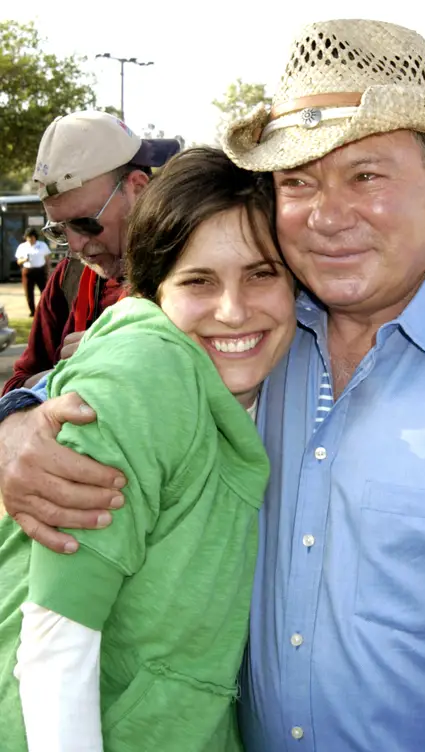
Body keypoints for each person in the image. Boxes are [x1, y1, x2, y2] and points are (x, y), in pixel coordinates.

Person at [1, 18, 425, 752]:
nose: (328, 215)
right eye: (298, 181)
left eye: (366, 175)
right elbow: (119, 368)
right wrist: (18, 421)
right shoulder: (261, 331)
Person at [0, 147, 297, 751]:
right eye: (198, 281)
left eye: (263, 273)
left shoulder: (277, 370)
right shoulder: (148, 369)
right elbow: (56, 646)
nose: (234, 310)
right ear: (153, 291)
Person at [1, 110, 180, 395]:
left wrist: (136, 358)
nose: (74, 245)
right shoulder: (68, 278)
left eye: (85, 222)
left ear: (137, 188)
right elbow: (17, 384)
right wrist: (71, 374)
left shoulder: (192, 277)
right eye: (59, 229)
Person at [14, 229, 51, 317]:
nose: (31, 239)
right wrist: (24, 260)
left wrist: (48, 270)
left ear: (35, 237)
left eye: (32, 237)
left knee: (44, 291)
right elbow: (18, 261)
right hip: (28, 271)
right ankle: (32, 311)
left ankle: (43, 310)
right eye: (29, 238)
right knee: (29, 292)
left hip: (40, 271)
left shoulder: (42, 245)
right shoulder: (22, 247)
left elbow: (47, 259)